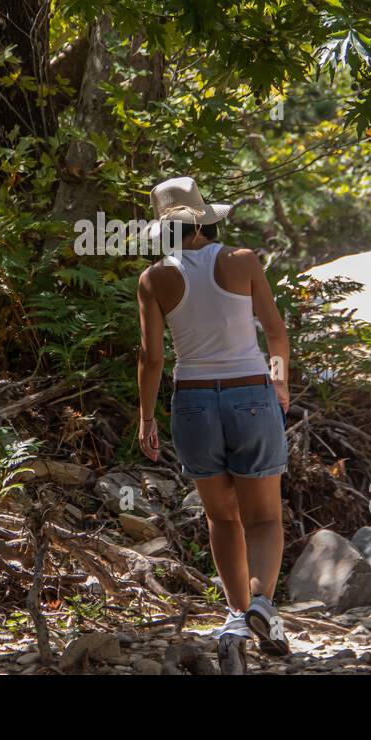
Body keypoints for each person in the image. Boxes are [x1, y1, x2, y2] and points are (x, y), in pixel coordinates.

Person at [136, 176, 292, 662]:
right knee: (264, 516)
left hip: (193, 401)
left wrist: (146, 418)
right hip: (250, 393)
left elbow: (151, 357)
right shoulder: (243, 261)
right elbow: (276, 332)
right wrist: (280, 382)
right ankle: (261, 604)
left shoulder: (153, 278)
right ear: (204, 218)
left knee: (221, 518)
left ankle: (234, 620)